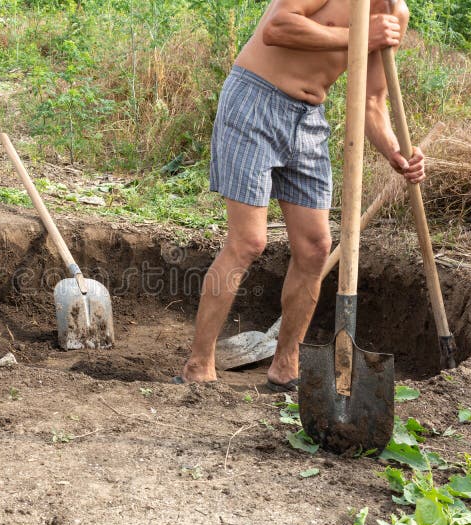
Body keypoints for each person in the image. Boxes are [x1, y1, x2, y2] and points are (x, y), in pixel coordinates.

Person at [177, 0, 426, 389]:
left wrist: (395, 150)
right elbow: (277, 28)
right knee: (248, 242)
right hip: (255, 101)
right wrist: (359, 36)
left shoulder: (396, 14)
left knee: (315, 247)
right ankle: (198, 363)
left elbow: (373, 102)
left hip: (309, 118)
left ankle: (285, 365)